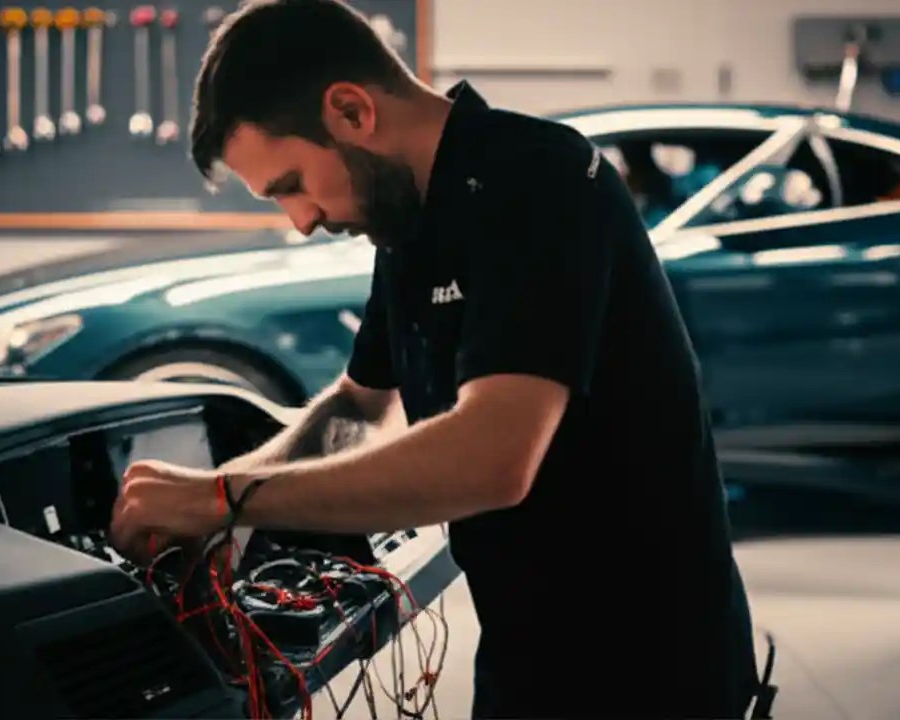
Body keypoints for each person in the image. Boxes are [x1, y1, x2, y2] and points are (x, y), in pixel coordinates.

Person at [109, 0, 761, 716]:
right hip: (528, 655)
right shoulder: (409, 222)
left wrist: (218, 500)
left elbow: (492, 458)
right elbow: (357, 408)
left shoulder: (537, 181)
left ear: (352, 111)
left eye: (291, 184)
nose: (300, 221)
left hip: (651, 669)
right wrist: (232, 502)